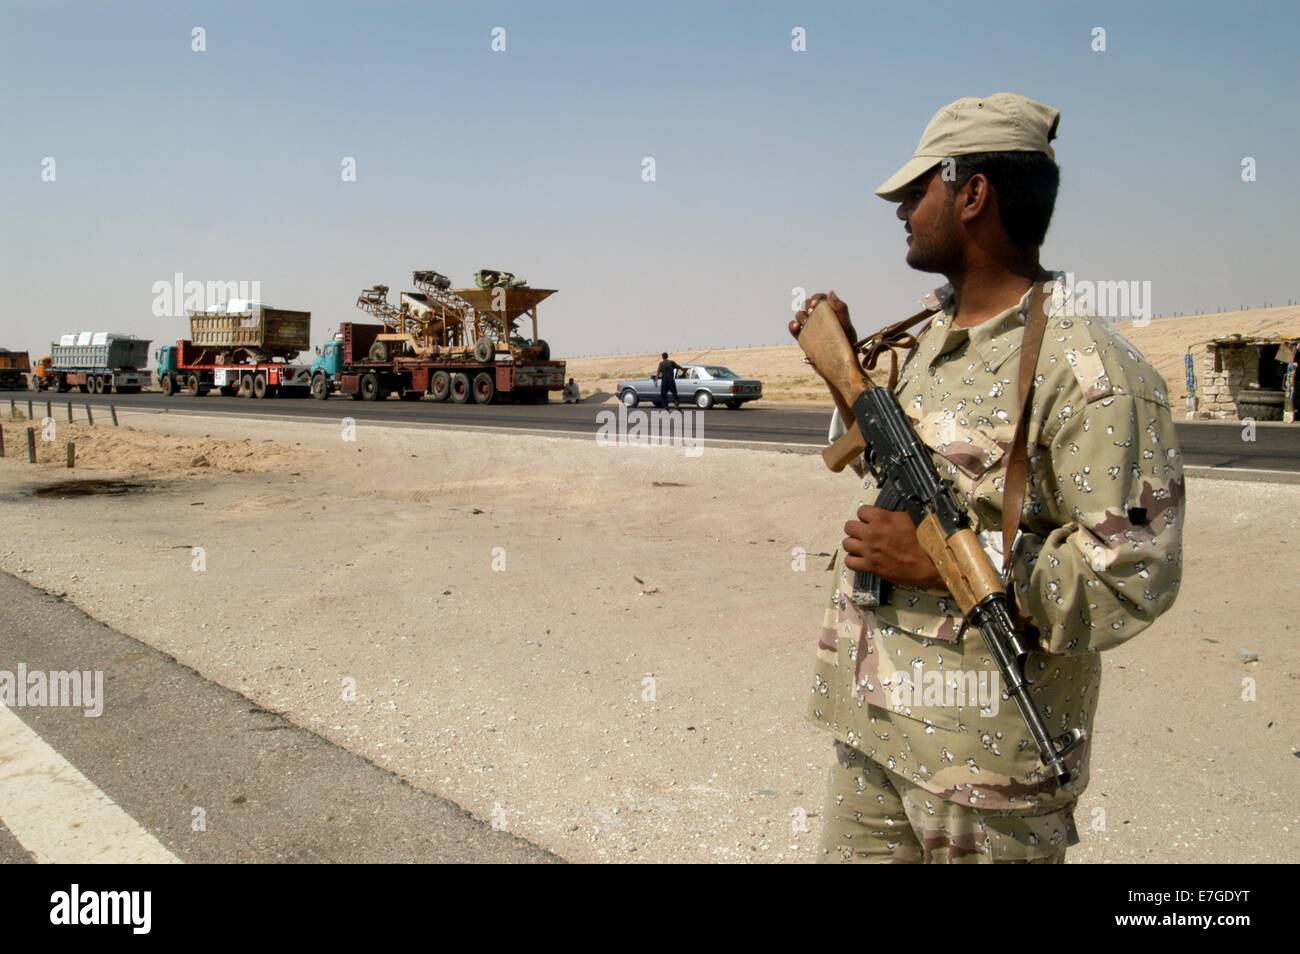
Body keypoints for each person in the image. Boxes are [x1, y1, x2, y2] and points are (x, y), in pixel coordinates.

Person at [790, 93, 1184, 863]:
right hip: (875, 727)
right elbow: (896, 464)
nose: (901, 208)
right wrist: (838, 367)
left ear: (973, 194)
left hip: (988, 763)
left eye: (918, 190)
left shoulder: (1090, 369)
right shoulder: (934, 339)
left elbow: (1132, 576)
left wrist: (940, 563)